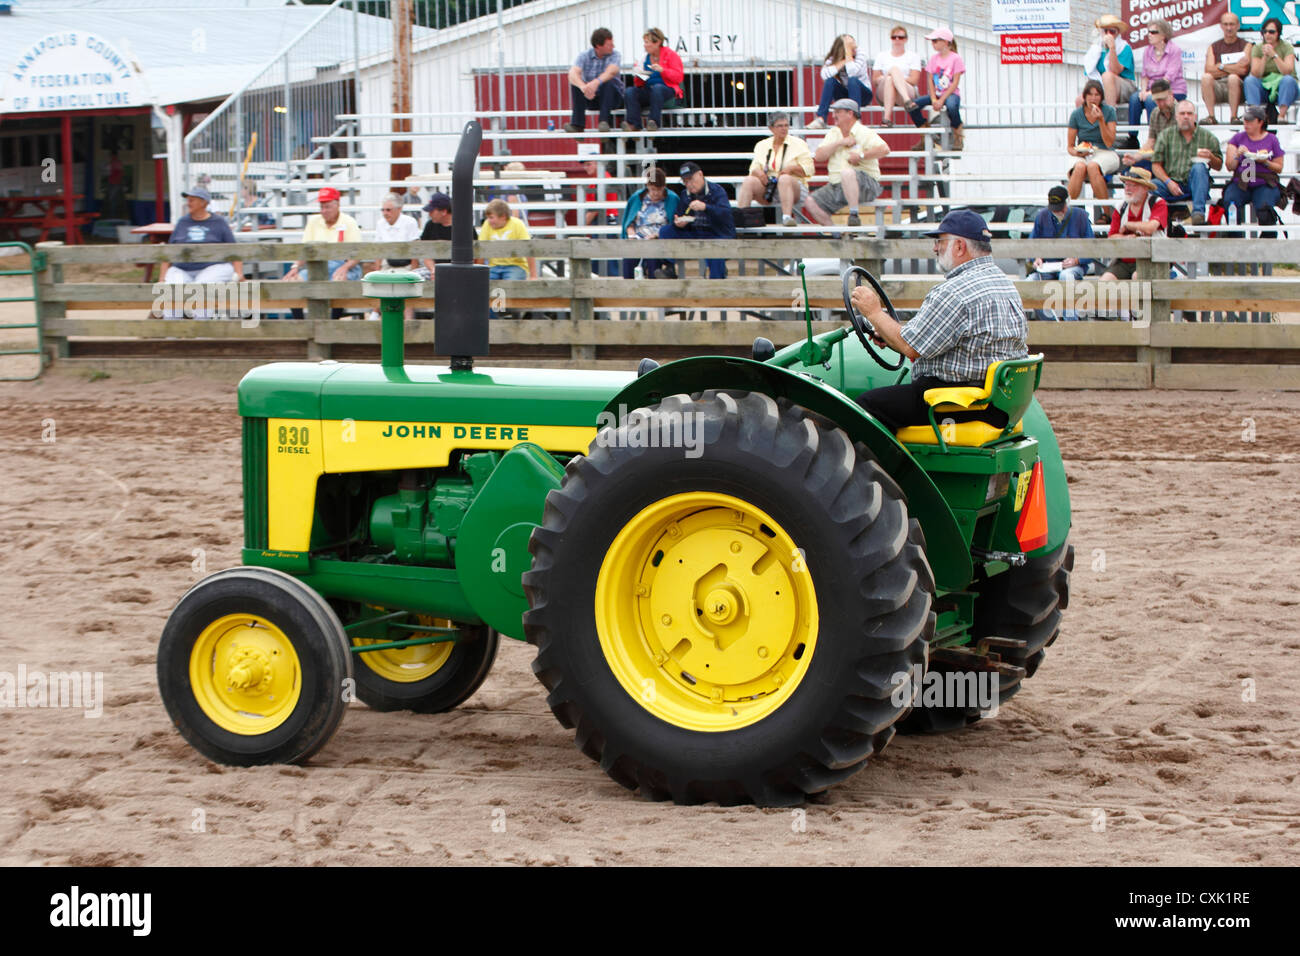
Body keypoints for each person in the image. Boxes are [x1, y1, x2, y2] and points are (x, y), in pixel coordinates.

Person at [849, 209, 1027, 432]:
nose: (935, 248)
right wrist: (887, 333)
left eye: (940, 241)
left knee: (864, 407)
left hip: (957, 402)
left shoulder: (954, 292)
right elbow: (929, 338)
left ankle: (883, 468)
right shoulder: (1005, 284)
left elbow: (910, 347)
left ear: (959, 246)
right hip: (998, 402)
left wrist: (874, 313)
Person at [804, 98, 889, 228]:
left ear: (850, 113)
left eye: (838, 112)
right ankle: (835, 233)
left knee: (847, 173)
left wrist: (861, 156)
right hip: (838, 186)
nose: (833, 115)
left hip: (866, 184)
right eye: (833, 112)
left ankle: (854, 215)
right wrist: (840, 143)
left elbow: (884, 149)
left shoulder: (864, 132)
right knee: (810, 201)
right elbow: (819, 156)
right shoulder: (834, 133)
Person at [160, 186, 241, 319]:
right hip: (182, 268)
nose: (188, 203)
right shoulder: (183, 222)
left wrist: (239, 273)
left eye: (192, 200)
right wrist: (162, 278)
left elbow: (235, 249)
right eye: (188, 200)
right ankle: (171, 334)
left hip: (213, 267)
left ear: (203, 203)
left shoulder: (219, 222)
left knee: (202, 288)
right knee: (172, 291)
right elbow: (169, 251)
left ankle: (201, 335)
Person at [284, 187, 362, 319]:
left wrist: (345, 267)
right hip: (317, 266)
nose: (323, 211)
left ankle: (330, 324)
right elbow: (305, 248)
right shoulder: (314, 221)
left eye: (327, 207)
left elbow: (358, 253)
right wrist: (295, 266)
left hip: (344, 265)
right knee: (291, 283)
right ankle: (302, 324)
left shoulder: (349, 222)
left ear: (337, 205)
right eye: (322, 207)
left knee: (338, 283)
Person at [1027, 186, 1095, 320]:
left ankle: (1070, 326)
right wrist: (1037, 258)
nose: (1058, 211)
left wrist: (1077, 260)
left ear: (1067, 202)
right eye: (1054, 208)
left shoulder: (1080, 216)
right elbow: (1032, 243)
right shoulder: (1042, 216)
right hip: (1048, 267)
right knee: (1030, 283)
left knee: (1066, 276)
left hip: (1073, 267)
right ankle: (1051, 324)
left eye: (1060, 207)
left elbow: (1092, 248)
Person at [657, 161, 735, 279]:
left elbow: (725, 214)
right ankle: (669, 267)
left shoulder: (717, 190)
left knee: (715, 248)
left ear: (700, 174)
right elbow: (679, 214)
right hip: (695, 232)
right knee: (665, 231)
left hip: (716, 233)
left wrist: (705, 207)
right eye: (685, 181)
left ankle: (717, 280)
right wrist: (679, 222)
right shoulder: (685, 194)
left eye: (691, 179)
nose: (689, 184)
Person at [735, 111, 814, 227]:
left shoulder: (799, 143)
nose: (784, 129)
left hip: (794, 187)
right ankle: (740, 218)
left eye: (786, 125)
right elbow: (754, 168)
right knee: (749, 180)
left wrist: (791, 168)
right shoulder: (762, 145)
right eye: (780, 126)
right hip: (770, 187)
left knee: (785, 179)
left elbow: (810, 169)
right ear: (771, 128)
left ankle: (787, 218)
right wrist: (760, 174)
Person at [1152, 100, 1223, 224]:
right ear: (1176, 116)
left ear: (1195, 116)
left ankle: (1198, 214)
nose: (1186, 117)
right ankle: (1158, 220)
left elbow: (1219, 165)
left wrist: (1211, 157)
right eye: (1182, 113)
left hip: (1195, 183)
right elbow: (1156, 165)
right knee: (1150, 186)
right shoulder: (1165, 135)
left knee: (1199, 168)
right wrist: (1168, 182)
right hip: (1171, 183)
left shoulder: (1208, 137)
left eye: (1189, 114)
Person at [1100, 168, 1167, 285]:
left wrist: (1128, 225)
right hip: (1123, 261)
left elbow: (1151, 227)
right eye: (1126, 185)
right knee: (1104, 283)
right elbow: (1112, 237)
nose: (1127, 189)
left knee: (1138, 279)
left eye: (1133, 185)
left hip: (1150, 259)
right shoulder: (1121, 207)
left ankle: (1141, 304)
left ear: (1145, 188)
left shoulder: (1157, 203)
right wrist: (1127, 238)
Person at [1223, 105, 1285, 226]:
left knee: (1264, 208)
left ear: (1260, 122)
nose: (1246, 124)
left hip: (1264, 182)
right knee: (1230, 201)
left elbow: (1279, 167)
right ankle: (1236, 238)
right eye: (1245, 120)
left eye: (1250, 121)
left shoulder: (1272, 139)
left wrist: (1265, 162)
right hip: (1241, 181)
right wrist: (1237, 155)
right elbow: (1229, 166)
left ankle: (1268, 239)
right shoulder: (1237, 138)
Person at [905, 28, 965, 150]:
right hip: (936, 94)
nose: (933, 44)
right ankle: (925, 135)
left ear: (946, 42)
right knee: (913, 106)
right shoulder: (933, 59)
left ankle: (958, 134)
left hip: (950, 93)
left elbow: (954, 83)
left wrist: (941, 99)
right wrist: (933, 98)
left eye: (936, 41)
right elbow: (931, 80)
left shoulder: (956, 58)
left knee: (952, 106)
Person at [478, 198, 535, 318]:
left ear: (503, 217)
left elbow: (528, 248)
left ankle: (511, 314)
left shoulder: (517, 224)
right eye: (488, 217)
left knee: (509, 286)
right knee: (483, 288)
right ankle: (494, 322)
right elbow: (481, 250)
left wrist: (533, 275)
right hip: (494, 266)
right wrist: (479, 273)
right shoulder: (486, 225)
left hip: (515, 265)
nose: (489, 221)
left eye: (492, 217)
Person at [620, 165, 679, 278]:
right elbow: (629, 222)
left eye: (659, 190)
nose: (656, 193)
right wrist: (631, 234)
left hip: (659, 239)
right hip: (638, 238)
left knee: (653, 257)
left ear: (664, 187)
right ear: (647, 186)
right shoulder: (637, 197)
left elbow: (674, 225)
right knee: (629, 256)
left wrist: (658, 235)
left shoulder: (672, 199)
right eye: (652, 189)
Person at [1067, 79, 1118, 207]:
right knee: (1079, 167)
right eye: (1090, 95)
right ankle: (1065, 211)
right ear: (1084, 97)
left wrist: (1101, 120)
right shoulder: (1076, 115)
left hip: (1105, 151)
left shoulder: (1109, 111)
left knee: (1093, 166)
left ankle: (1105, 213)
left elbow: (1109, 142)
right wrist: (1077, 153)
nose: (1093, 98)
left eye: (1097, 95)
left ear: (1101, 97)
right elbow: (1070, 146)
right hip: (1084, 152)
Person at [624, 27, 684, 132]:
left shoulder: (671, 55)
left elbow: (678, 77)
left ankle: (654, 122)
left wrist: (663, 70)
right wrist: (638, 74)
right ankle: (634, 124)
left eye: (647, 42)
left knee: (657, 89)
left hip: (667, 88)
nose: (645, 45)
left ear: (657, 43)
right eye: (644, 42)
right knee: (630, 91)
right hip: (649, 89)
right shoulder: (644, 58)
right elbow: (639, 83)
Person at [806, 34, 871, 130]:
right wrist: (842, 62)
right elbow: (824, 75)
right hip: (845, 95)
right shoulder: (833, 58)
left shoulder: (860, 54)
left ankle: (855, 120)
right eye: (849, 45)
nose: (854, 47)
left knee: (852, 80)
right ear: (842, 47)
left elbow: (852, 72)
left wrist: (848, 54)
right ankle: (821, 119)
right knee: (830, 81)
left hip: (863, 95)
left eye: (853, 43)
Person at [566, 27, 623, 133]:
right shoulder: (584, 55)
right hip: (592, 96)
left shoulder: (615, 55)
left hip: (613, 98)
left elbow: (611, 72)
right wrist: (583, 87)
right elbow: (572, 74)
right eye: (609, 44)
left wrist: (596, 83)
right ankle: (577, 125)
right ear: (598, 46)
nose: (613, 46)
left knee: (608, 83)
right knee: (576, 84)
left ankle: (604, 122)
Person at [1129, 20, 1186, 126]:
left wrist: (1151, 92)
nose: (1149, 35)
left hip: (1172, 89)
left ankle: (1154, 134)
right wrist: (1143, 91)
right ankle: (1132, 136)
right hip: (1150, 90)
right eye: (1148, 32)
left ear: (1163, 35)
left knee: (1151, 99)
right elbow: (1145, 76)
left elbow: (1168, 78)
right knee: (1134, 99)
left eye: (1153, 32)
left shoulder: (1175, 50)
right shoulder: (1147, 51)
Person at [1200, 11, 1251, 124]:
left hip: (1238, 88)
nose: (1229, 28)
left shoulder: (1246, 46)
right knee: (1206, 77)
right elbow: (1208, 70)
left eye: (1232, 24)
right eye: (1226, 24)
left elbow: (1243, 70)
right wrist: (1234, 67)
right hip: (1218, 87)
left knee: (1233, 78)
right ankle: (1211, 117)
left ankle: (1234, 117)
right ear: (1221, 26)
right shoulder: (1213, 47)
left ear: (1238, 25)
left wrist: (1221, 66)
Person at [1122, 78, 1176, 176]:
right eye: (1158, 101)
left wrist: (1145, 156)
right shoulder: (1155, 113)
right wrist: (1136, 157)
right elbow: (1151, 141)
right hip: (1158, 158)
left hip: (1176, 160)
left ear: (1171, 94)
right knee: (1130, 172)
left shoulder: (1181, 113)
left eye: (1163, 99)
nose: (1161, 104)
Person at [1245, 17, 1297, 119]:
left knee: (1288, 80)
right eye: (1265, 31)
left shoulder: (1287, 47)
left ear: (1278, 33)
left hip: (1284, 88)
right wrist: (1264, 57)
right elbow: (1256, 73)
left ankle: (1281, 116)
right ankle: (1255, 117)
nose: (1267, 34)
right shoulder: (1257, 48)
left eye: (1271, 32)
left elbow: (1287, 71)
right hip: (1265, 87)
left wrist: (1274, 55)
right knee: (1250, 80)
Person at [1082, 14, 1138, 110]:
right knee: (1080, 100)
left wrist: (1112, 48)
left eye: (1112, 31)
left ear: (1118, 32)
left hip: (1124, 86)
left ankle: (1110, 116)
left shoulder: (1124, 47)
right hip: (1101, 85)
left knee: (1107, 76)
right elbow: (1090, 72)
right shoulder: (1096, 48)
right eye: (1105, 31)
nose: (1108, 34)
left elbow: (1115, 70)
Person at [872, 26, 923, 127]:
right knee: (891, 75)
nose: (897, 40)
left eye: (900, 37)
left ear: (906, 39)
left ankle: (886, 119)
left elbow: (914, 80)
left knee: (892, 75)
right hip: (885, 92)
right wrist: (891, 77)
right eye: (894, 37)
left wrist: (897, 79)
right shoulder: (882, 55)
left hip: (906, 90)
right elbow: (875, 79)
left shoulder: (913, 56)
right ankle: (907, 101)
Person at [371, 192, 421, 272]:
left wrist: (413, 273)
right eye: (383, 210)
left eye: (388, 210)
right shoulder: (380, 223)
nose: (385, 213)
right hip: (387, 264)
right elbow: (378, 250)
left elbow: (414, 250)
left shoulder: (410, 222)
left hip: (406, 266)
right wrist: (376, 273)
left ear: (399, 209)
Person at [418, 191, 453, 278]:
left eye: (432, 211)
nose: (429, 214)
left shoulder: (464, 227)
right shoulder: (430, 225)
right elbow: (425, 254)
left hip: (457, 270)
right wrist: (433, 269)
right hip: (433, 268)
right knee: (413, 277)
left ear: (444, 211)